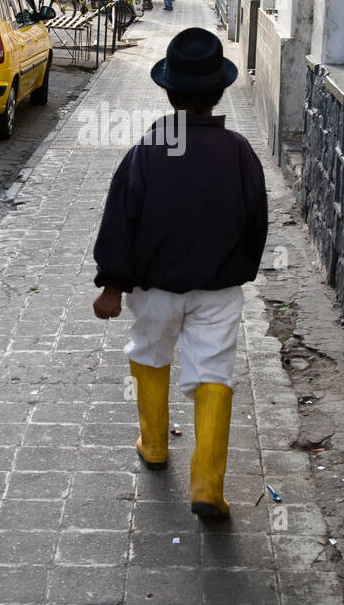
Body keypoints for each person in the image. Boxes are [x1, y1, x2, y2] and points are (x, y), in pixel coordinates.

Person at [92, 27, 268, 518]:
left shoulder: (150, 148)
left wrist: (112, 285)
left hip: (153, 290)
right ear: (220, 92)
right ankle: (208, 485)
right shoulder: (239, 153)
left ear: (168, 92)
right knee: (214, 372)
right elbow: (257, 222)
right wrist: (239, 270)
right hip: (218, 290)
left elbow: (120, 218)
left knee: (149, 352)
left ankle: (153, 446)